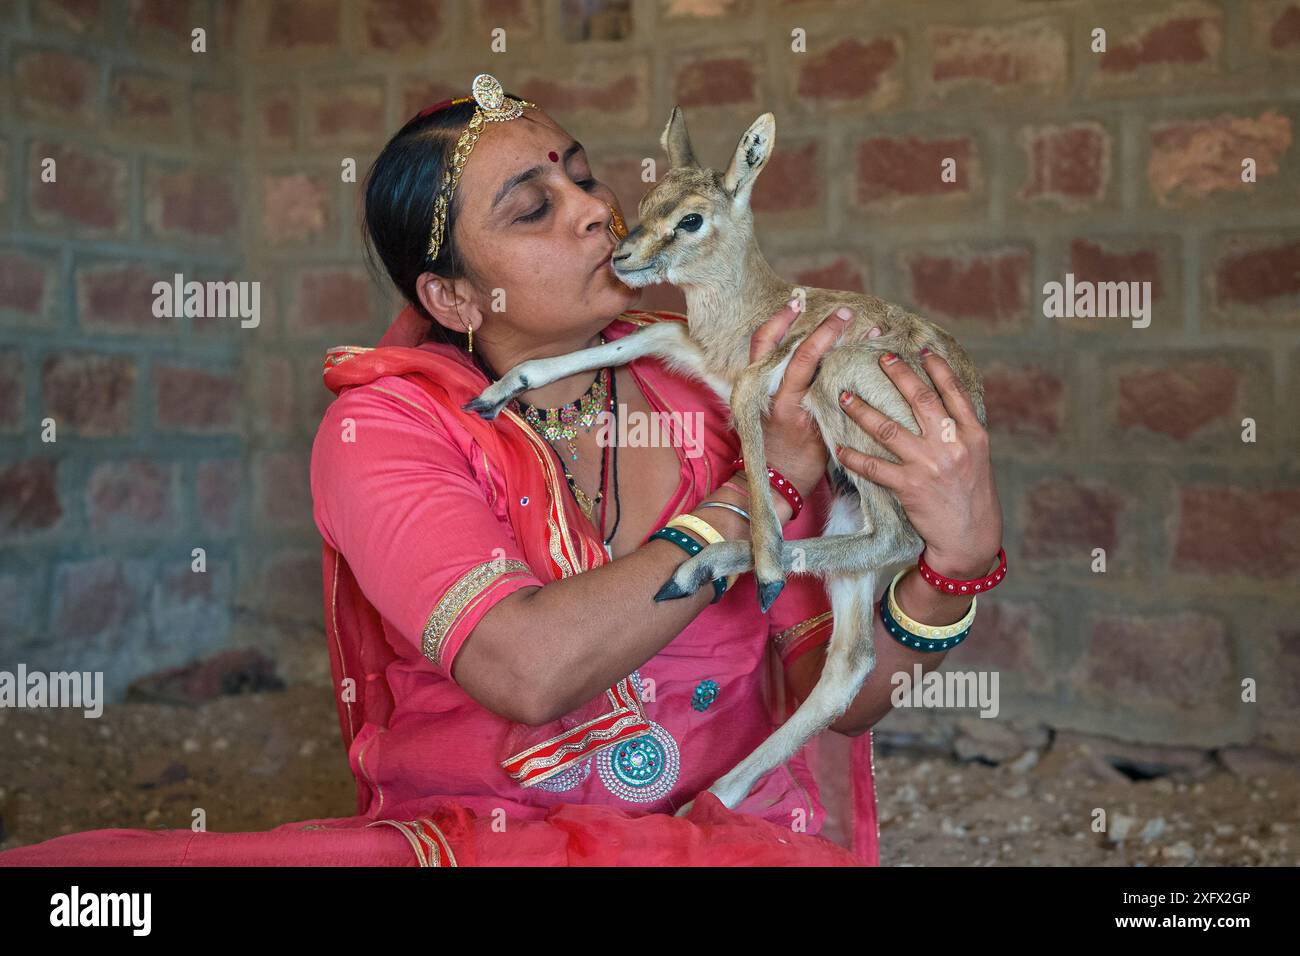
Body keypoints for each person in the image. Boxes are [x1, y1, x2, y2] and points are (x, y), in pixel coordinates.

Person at [0, 74, 1003, 867]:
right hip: (481, 842)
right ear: (453, 294)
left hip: (718, 838)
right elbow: (525, 669)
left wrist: (955, 558)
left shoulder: (720, 391)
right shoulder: (385, 432)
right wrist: (760, 494)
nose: (595, 212)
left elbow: (830, 689)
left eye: (584, 175)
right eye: (534, 209)